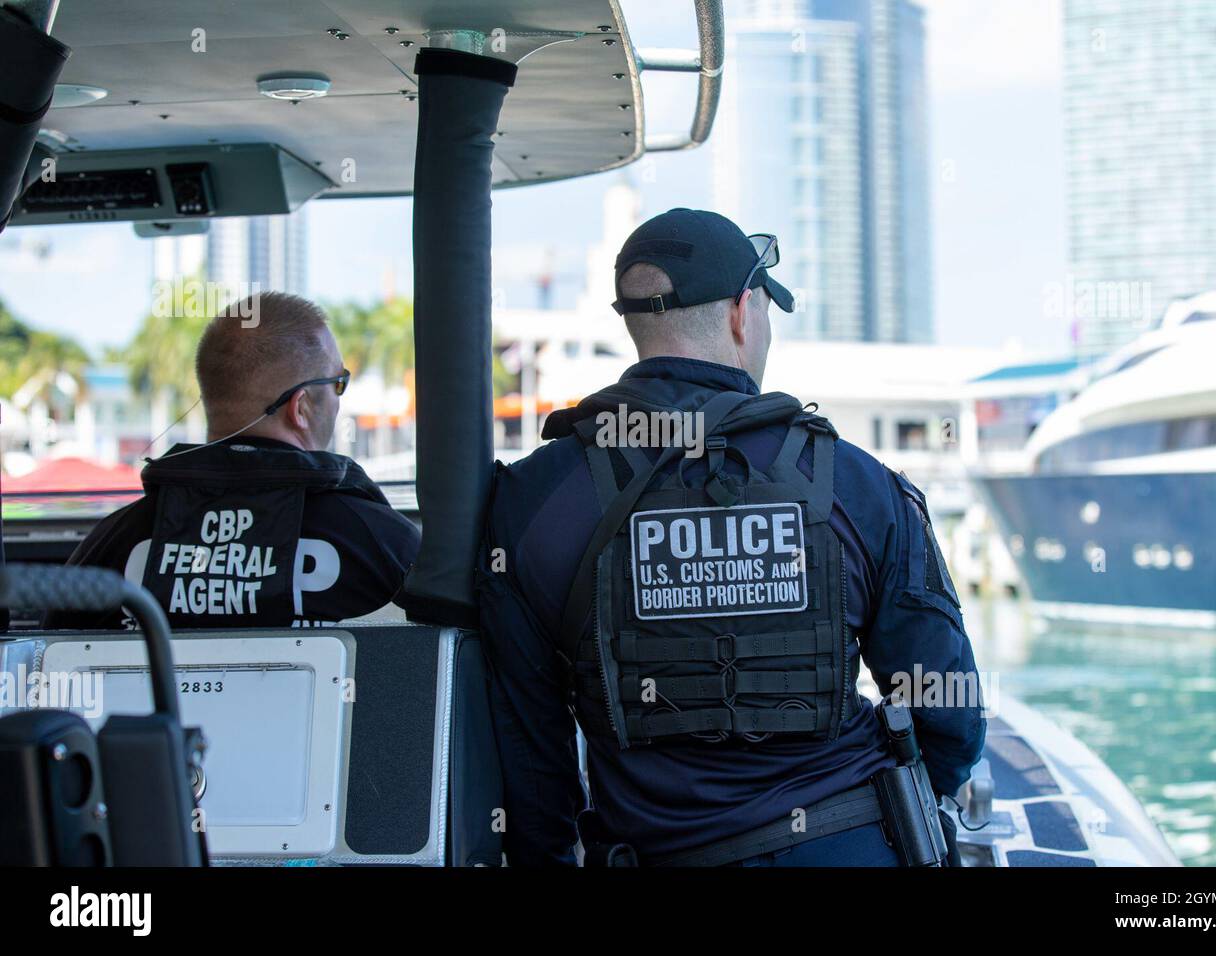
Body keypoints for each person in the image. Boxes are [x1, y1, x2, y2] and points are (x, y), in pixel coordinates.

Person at [477, 208, 986, 867]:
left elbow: (530, 760)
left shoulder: (532, 501)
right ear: (743, 313)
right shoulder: (858, 486)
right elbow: (946, 712)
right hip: (854, 844)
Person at [46, 291, 419, 630]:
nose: (339, 399)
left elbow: (49, 660)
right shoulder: (377, 540)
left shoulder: (115, 540)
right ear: (300, 406)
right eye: (338, 382)